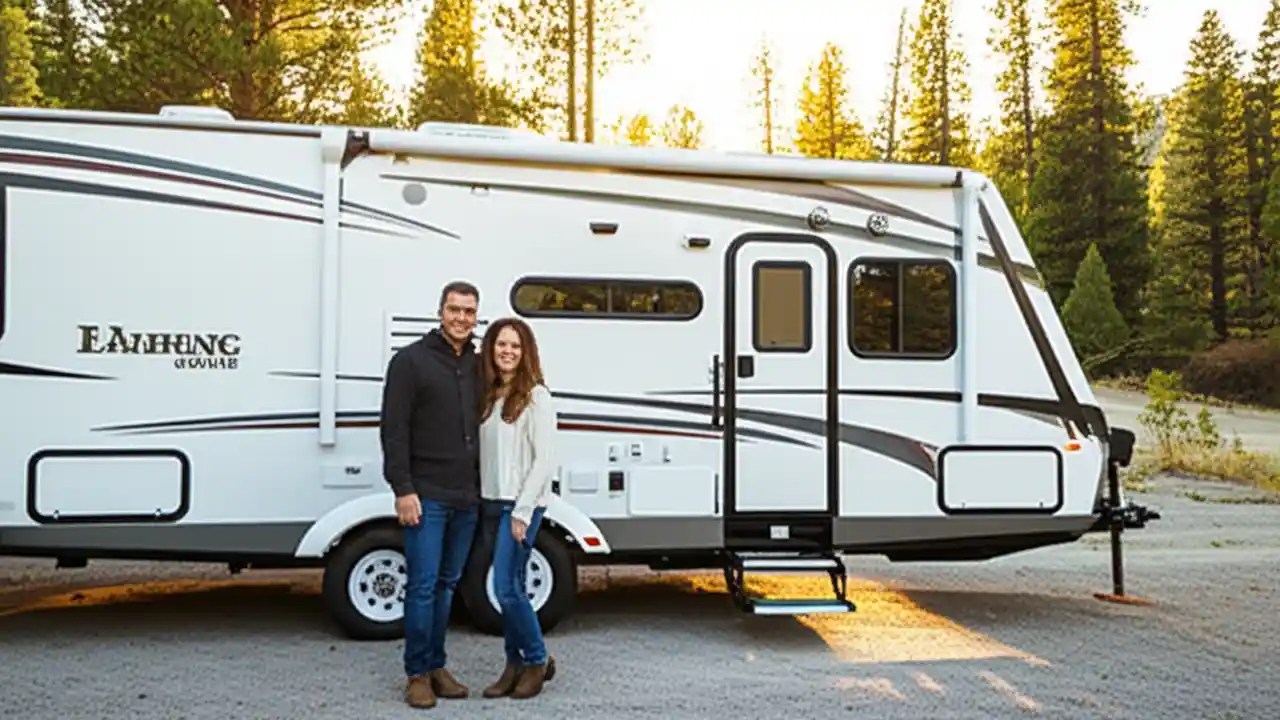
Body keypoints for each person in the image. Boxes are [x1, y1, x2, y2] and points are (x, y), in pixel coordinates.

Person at [380, 280, 483, 709]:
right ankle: (417, 674)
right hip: (426, 494)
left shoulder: (480, 365)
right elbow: (393, 429)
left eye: (469, 311)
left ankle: (438, 666)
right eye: (454, 309)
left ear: (477, 316)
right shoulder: (410, 362)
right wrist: (403, 488)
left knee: (446, 585)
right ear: (440, 311)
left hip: (468, 496)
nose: (461, 318)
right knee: (422, 586)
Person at [474, 317, 559, 700]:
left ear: (526, 353)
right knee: (515, 587)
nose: (507, 351)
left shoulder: (537, 397)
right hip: (491, 504)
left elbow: (545, 460)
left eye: (515, 346)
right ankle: (513, 665)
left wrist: (523, 511)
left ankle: (538, 659)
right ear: (490, 349)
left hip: (519, 506)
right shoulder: (489, 395)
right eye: (501, 344)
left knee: (505, 589)